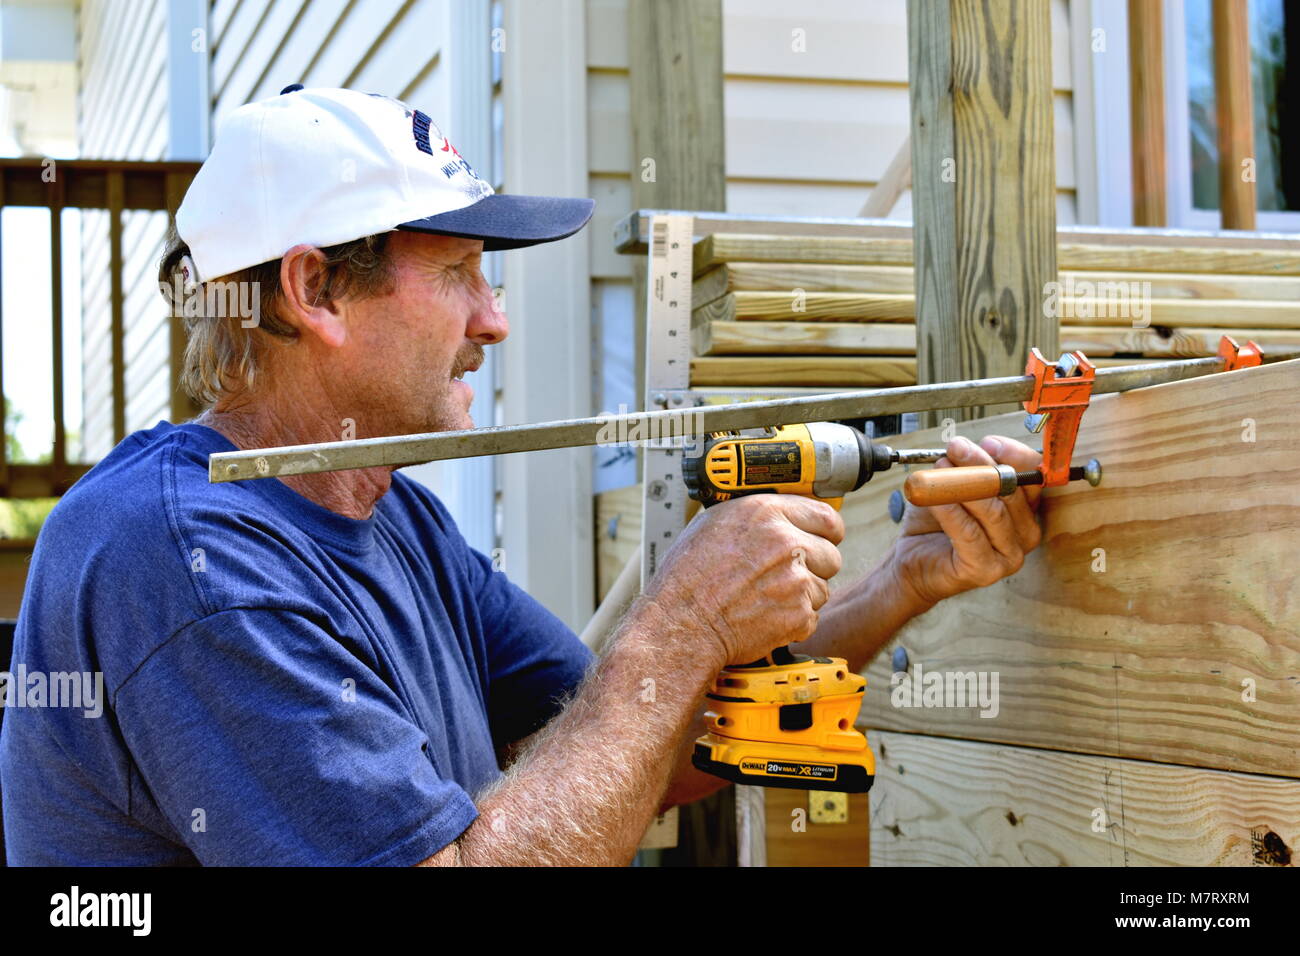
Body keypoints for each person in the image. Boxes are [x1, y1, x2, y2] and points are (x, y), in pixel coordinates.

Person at [0, 87, 1043, 866]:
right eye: (457, 271)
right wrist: (679, 615)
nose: (493, 318)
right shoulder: (187, 561)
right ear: (313, 288)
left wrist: (898, 583)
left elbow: (661, 743)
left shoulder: (388, 512)